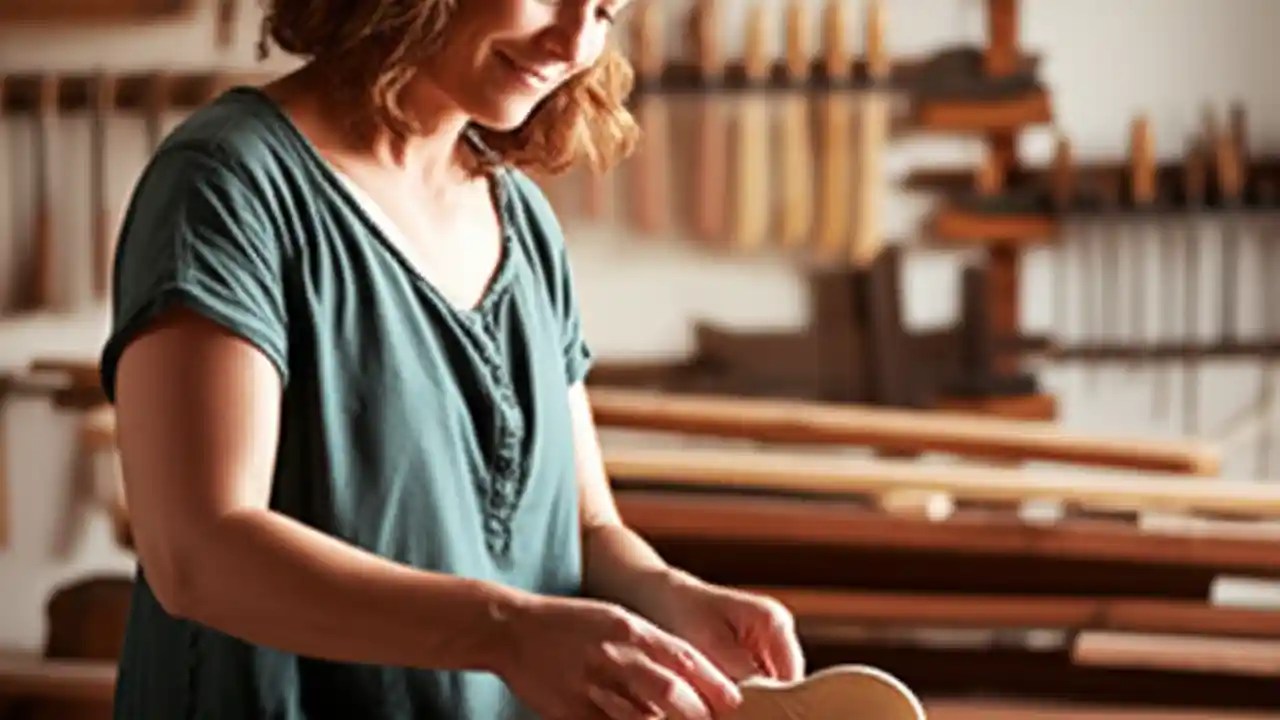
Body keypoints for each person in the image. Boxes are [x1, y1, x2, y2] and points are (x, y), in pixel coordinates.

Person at [99, 0, 806, 718]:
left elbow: (587, 530)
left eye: (604, 12)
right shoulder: (229, 183)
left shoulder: (522, 219)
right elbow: (198, 552)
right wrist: (505, 634)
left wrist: (667, 595)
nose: (574, 42)